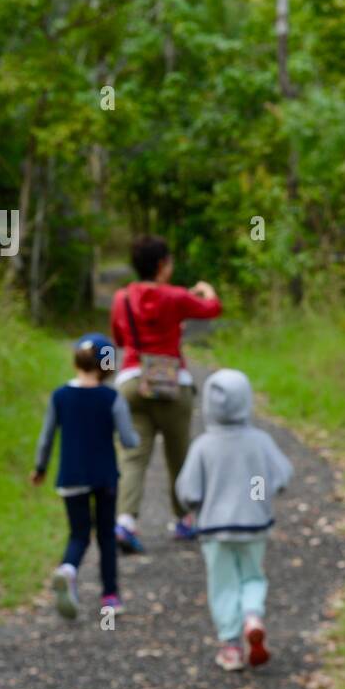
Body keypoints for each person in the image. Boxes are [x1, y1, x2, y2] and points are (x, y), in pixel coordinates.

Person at [110, 234, 222, 554]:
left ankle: (126, 522)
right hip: (173, 384)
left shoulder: (122, 299)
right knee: (179, 456)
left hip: (132, 380)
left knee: (133, 456)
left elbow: (119, 338)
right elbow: (213, 309)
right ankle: (185, 518)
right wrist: (204, 290)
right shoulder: (176, 297)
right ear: (162, 265)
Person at [175, 369, 292, 671]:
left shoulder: (203, 445)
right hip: (254, 523)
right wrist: (262, 491)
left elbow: (188, 490)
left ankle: (230, 645)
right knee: (252, 575)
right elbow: (281, 475)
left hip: (215, 527)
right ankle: (252, 616)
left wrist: (197, 506)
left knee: (223, 583)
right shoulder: (259, 441)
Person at [32, 334, 140, 619]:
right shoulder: (111, 397)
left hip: (71, 477)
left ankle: (68, 570)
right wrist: (137, 438)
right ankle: (110, 597)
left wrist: (40, 468)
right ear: (107, 365)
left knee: (79, 533)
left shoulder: (60, 396)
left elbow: (46, 439)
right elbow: (129, 440)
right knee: (105, 535)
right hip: (105, 478)